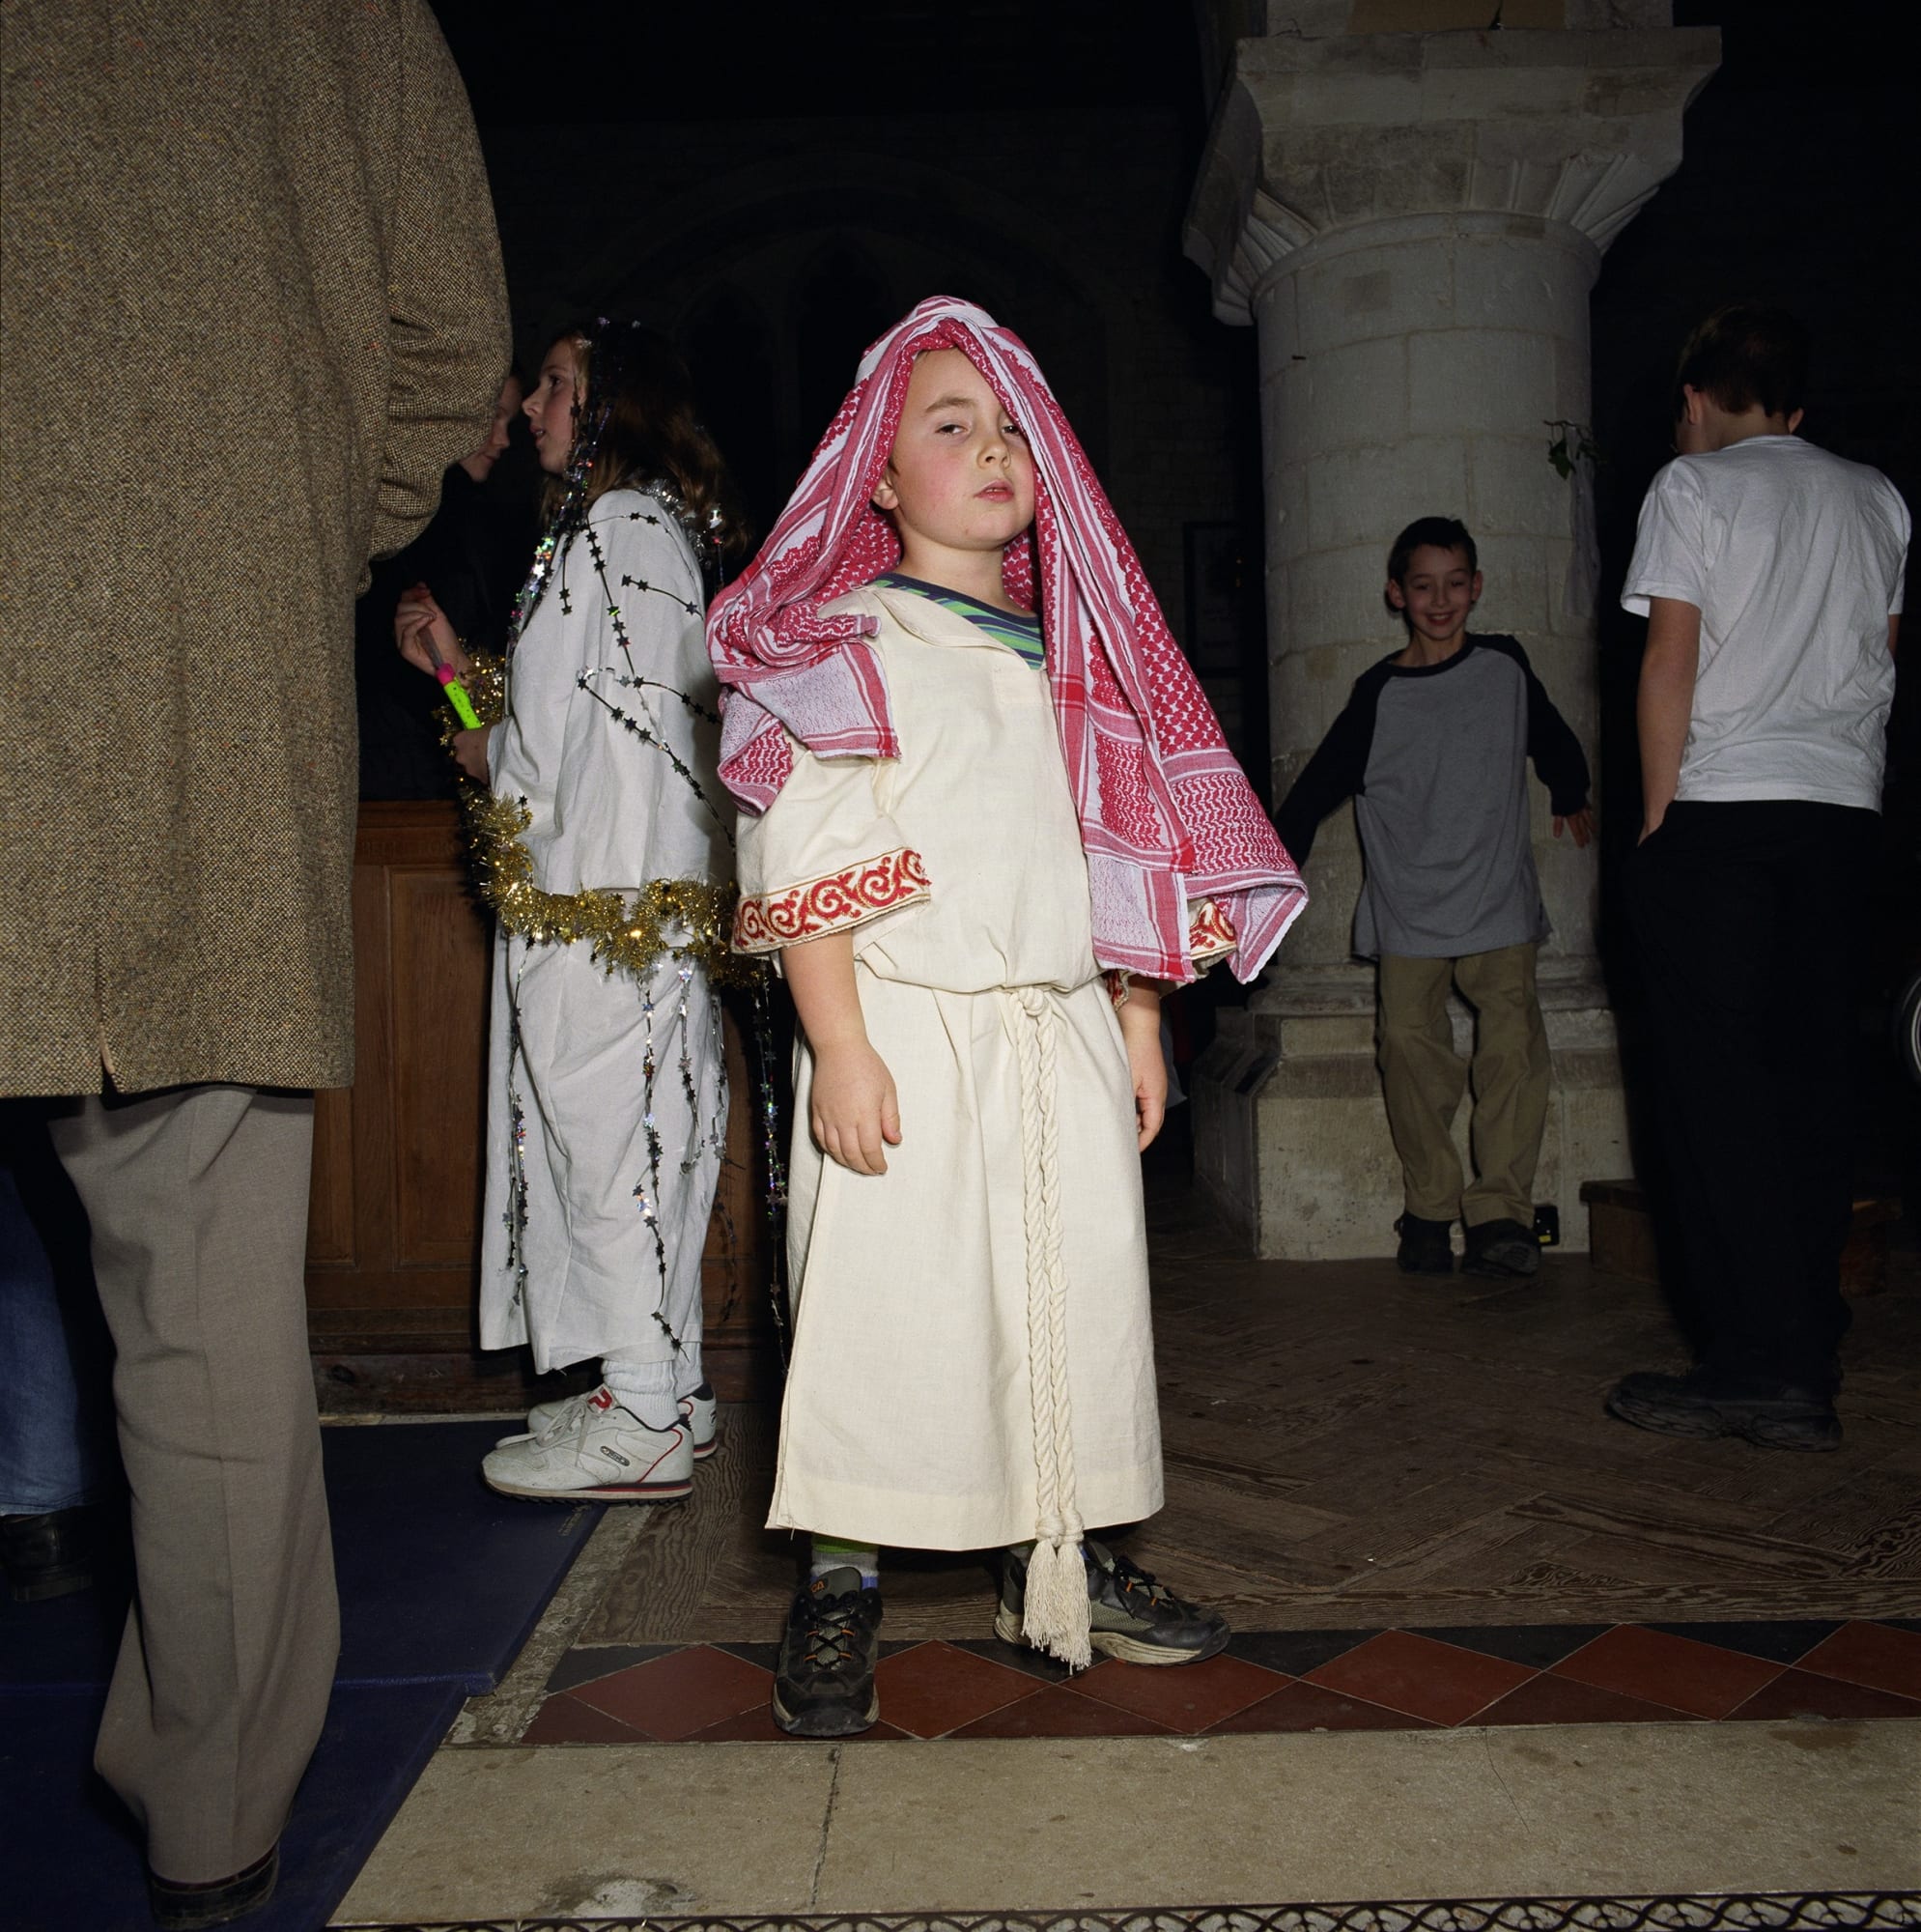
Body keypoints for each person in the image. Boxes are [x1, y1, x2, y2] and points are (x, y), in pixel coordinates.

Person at [0, 2, 509, 1924]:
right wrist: (307, 524)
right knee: (201, 1267)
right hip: (204, 670)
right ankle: (214, 1820)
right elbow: (447, 330)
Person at [708, 296, 1307, 1737]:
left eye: (1008, 430)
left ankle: (1071, 1553)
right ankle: (842, 1580)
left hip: (1060, 1036)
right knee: (886, 1318)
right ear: (881, 473)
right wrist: (837, 1042)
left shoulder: (1077, 658)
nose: (988, 452)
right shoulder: (847, 641)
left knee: (1072, 1308)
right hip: (907, 1035)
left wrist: (1142, 1014)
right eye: (947, 426)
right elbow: (806, 854)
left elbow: (1121, 853)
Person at [397, 322, 749, 1502]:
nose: (533, 402)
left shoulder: (620, 530)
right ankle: (664, 1391)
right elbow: (541, 745)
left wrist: (474, 710)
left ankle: (645, 1404)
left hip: (610, 916)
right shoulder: (605, 537)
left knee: (617, 1153)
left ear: (612, 408)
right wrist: (453, 665)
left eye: (556, 384)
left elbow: (586, 759)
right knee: (622, 1148)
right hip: (611, 911)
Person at [1607, 304, 1908, 1452]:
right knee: (1814, 1088)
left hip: (1721, 814)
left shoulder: (1693, 490)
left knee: (1712, 1098)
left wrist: (1654, 819)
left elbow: (1670, 657)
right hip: (1840, 820)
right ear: (1794, 404)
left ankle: (1754, 1361)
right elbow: (1877, 654)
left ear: (1694, 400)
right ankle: (1805, 1341)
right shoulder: (1876, 495)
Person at [1274, 519, 1594, 1279]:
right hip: (1409, 907)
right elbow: (1318, 784)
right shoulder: (1377, 693)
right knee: (1408, 1055)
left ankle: (1500, 1217)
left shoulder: (1505, 666)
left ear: (1475, 587)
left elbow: (1550, 733)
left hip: (1496, 903)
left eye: (1455, 582)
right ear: (1397, 594)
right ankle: (1427, 1209)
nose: (1440, 599)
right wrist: (1273, 862)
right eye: (1423, 585)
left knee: (1512, 1056)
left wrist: (1569, 787)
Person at [356, 372, 532, 799]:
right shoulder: (458, 518)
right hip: (423, 769)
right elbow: (450, 655)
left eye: (508, 423)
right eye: (493, 417)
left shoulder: (383, 501)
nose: (503, 440)